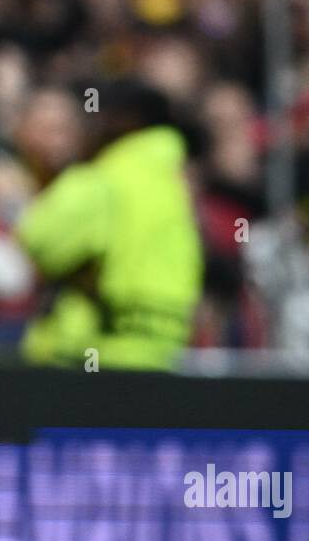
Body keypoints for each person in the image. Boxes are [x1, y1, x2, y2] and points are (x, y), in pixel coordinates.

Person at [15, 80, 203, 370]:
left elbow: (34, 241)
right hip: (163, 354)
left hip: (98, 352)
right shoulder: (173, 181)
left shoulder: (105, 177)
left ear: (123, 120)